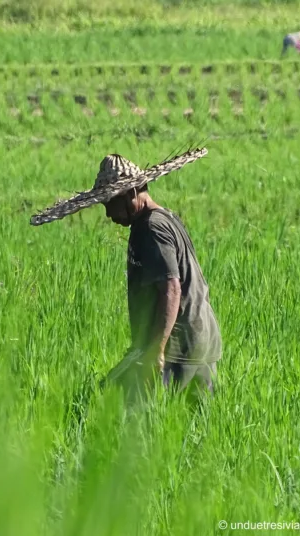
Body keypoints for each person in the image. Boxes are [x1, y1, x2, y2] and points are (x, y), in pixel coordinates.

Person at [29, 149, 221, 404]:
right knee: (191, 423)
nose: (109, 214)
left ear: (131, 193)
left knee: (113, 406)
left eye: (111, 203)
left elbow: (171, 288)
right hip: (202, 339)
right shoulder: (165, 219)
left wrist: (157, 350)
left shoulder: (151, 228)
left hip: (176, 346)